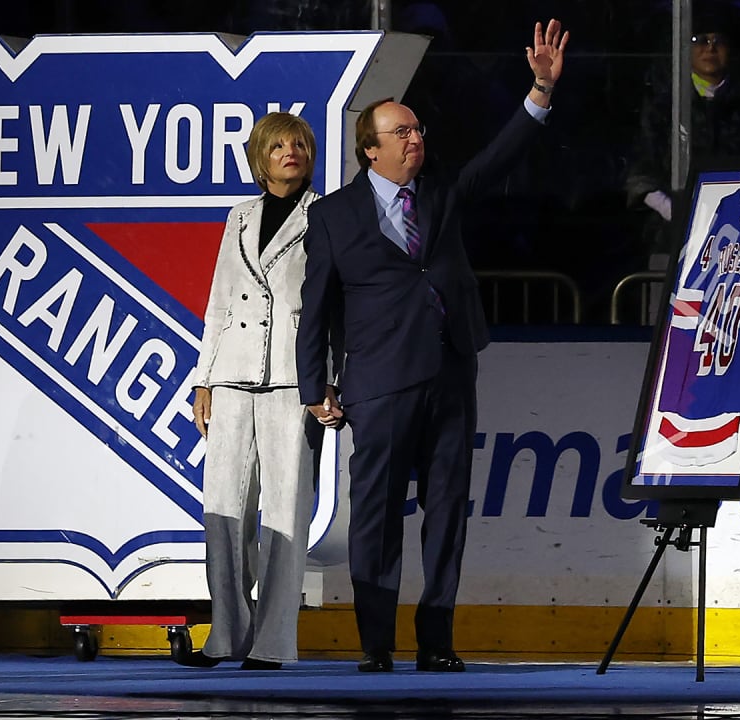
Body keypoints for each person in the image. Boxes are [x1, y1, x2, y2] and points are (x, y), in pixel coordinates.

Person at [295, 19, 569, 673]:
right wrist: (315, 387)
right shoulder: (333, 215)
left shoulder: (442, 194)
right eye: (403, 133)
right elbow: (316, 308)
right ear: (371, 149)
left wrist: (539, 90)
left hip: (450, 373)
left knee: (447, 511)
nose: (417, 139)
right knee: (377, 517)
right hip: (379, 381)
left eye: (418, 130)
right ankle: (375, 643)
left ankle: (438, 639)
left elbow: (499, 157)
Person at [176, 112, 338, 671]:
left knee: (287, 511)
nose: (289, 152)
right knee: (222, 507)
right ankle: (225, 634)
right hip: (231, 375)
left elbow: (333, 305)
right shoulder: (239, 216)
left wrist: (328, 378)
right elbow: (220, 302)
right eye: (277, 146)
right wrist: (203, 378)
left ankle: (274, 643)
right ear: (260, 157)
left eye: (298, 144)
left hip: (295, 378)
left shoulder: (328, 214)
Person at [625, 13, 740, 260]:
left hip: (739, 240)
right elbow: (640, 170)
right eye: (700, 40)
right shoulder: (665, 105)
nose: (710, 48)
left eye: (719, 41)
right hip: (672, 240)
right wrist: (675, 211)